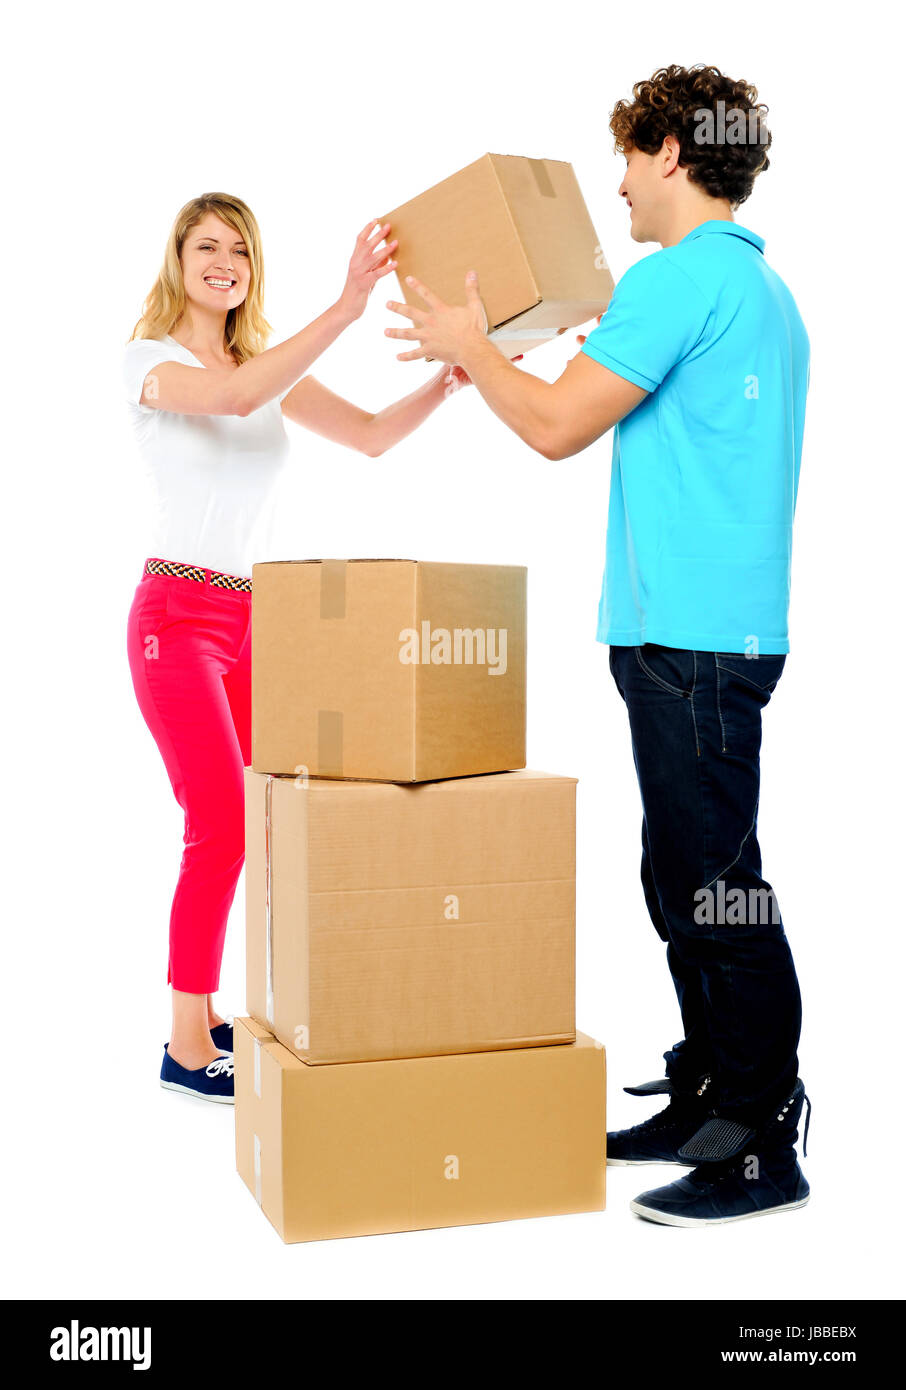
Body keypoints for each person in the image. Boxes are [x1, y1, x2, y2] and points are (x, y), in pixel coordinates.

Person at [385, 64, 811, 1226]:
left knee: (717, 885)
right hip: (701, 633)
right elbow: (570, 404)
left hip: (691, 638)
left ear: (674, 151)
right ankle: (711, 1090)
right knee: (679, 871)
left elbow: (561, 428)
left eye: (629, 155)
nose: (619, 182)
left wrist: (474, 345)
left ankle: (765, 1134)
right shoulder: (753, 289)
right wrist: (485, 361)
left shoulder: (675, 281)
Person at [124, 191, 468, 1105]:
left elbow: (365, 437)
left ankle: (217, 1019)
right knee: (220, 823)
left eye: (239, 249)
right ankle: (186, 1045)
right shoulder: (149, 362)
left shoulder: (260, 362)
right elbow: (233, 398)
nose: (224, 262)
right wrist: (348, 305)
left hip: (251, 620)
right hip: (174, 622)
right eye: (206, 246)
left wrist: (447, 381)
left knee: (262, 823)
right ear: (179, 261)